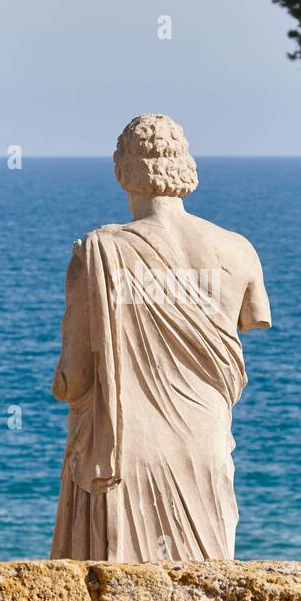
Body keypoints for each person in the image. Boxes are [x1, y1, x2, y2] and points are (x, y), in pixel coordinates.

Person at [49, 114, 270, 562]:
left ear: (121, 170)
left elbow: (74, 380)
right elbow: (252, 319)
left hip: (126, 452)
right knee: (208, 587)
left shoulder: (97, 253)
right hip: (204, 447)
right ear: (185, 167)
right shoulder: (238, 249)